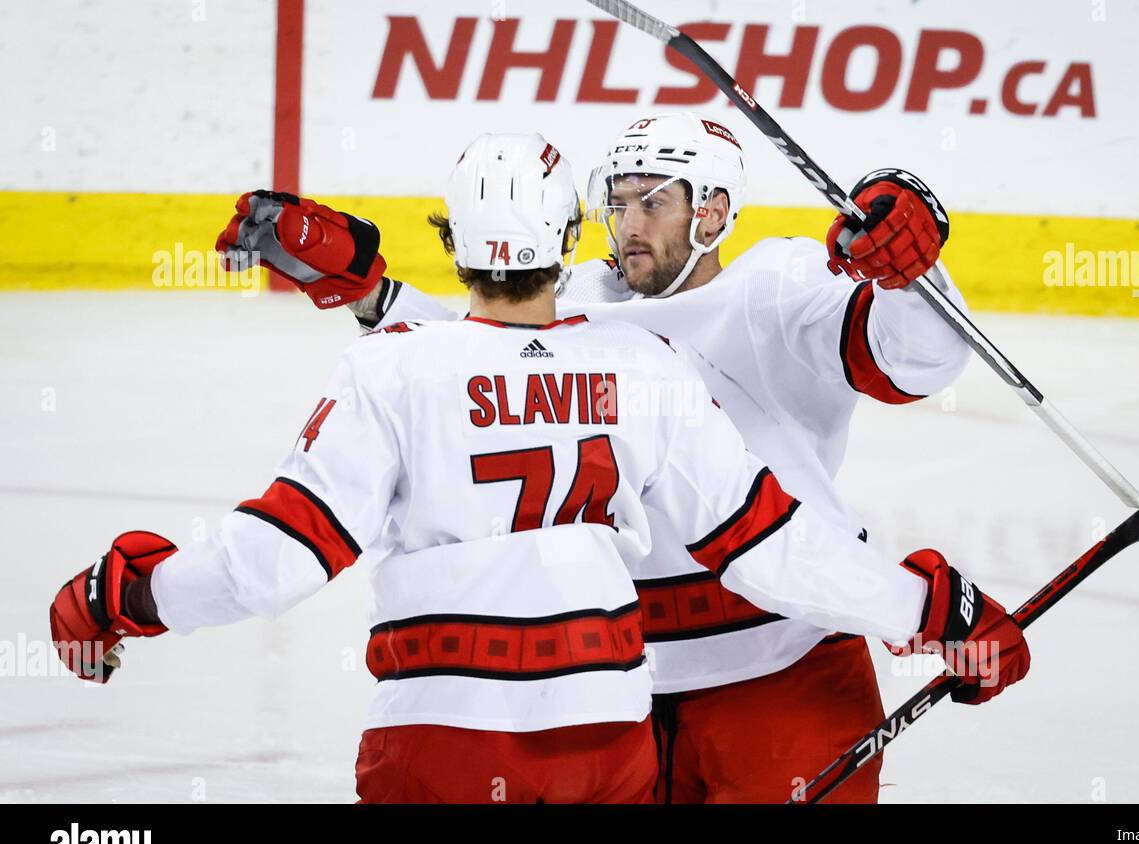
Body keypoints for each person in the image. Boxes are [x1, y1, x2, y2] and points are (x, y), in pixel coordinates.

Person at [50, 133, 1028, 804]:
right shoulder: (620, 349)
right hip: (616, 712)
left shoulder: (782, 284)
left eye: (656, 199)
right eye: (617, 200)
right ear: (572, 229)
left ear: (716, 207)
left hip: (748, 672)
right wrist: (930, 608)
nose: (630, 219)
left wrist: (909, 268)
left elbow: (920, 359)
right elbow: (764, 539)